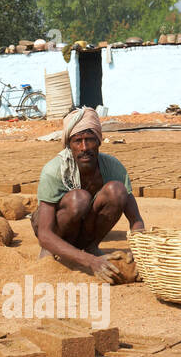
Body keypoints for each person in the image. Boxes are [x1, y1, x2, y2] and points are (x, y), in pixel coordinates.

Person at [31, 107, 146, 283]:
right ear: (69, 145)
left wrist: (140, 254)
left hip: (86, 227)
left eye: (90, 140)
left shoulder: (113, 167)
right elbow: (44, 233)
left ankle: (90, 246)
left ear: (99, 141)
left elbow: (136, 219)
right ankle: (51, 250)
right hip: (52, 230)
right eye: (78, 141)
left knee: (117, 190)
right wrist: (90, 262)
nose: (84, 147)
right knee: (79, 199)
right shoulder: (54, 170)